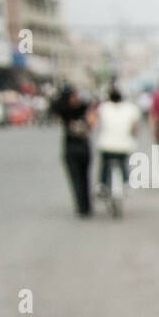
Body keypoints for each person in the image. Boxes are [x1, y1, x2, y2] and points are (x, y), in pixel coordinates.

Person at [52, 84, 96, 217]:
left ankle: (85, 206)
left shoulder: (70, 108)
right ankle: (83, 206)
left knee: (81, 177)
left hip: (78, 147)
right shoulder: (72, 108)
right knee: (78, 178)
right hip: (75, 147)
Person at [95, 87, 141, 203]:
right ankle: (126, 183)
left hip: (106, 145)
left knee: (105, 165)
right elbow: (135, 128)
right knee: (123, 164)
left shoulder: (104, 107)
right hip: (124, 145)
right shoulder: (131, 108)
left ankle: (102, 185)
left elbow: (95, 121)